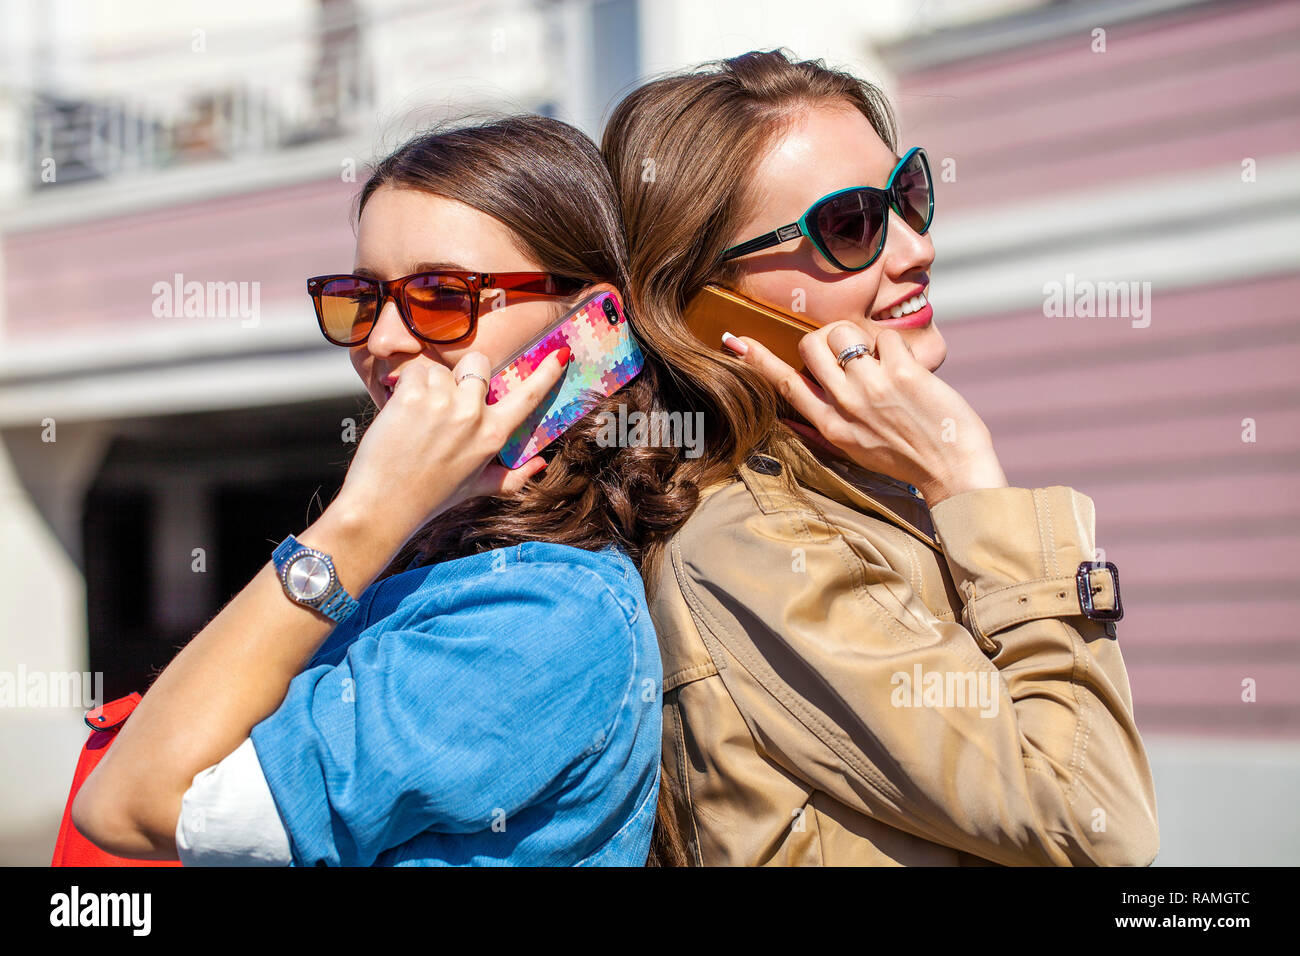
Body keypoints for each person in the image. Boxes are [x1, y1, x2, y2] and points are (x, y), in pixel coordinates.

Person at [71, 115, 680, 866]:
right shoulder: (443, 562)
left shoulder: (544, 615)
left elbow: (129, 805)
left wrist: (364, 517)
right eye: (361, 298)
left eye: (439, 294)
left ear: (588, 323)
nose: (382, 340)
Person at [601, 49, 1160, 865]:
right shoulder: (752, 545)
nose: (914, 249)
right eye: (850, 225)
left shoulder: (852, 490)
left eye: (907, 197)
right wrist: (964, 472)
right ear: (706, 306)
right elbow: (1093, 819)